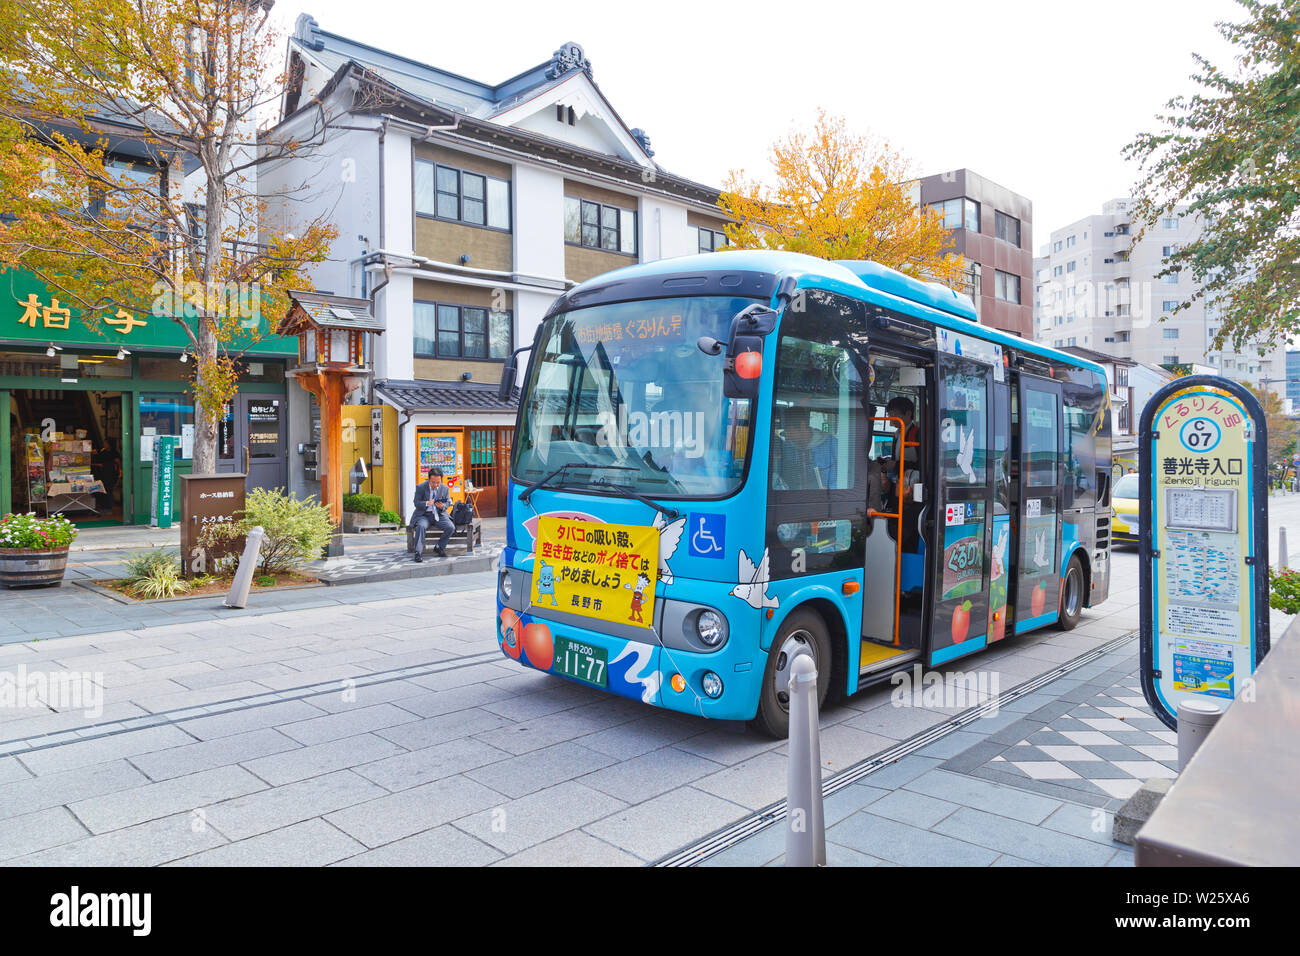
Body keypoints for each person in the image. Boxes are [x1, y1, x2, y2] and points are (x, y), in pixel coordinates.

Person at [772, 404, 837, 491]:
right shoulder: (788, 447)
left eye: (790, 431)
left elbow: (848, 473)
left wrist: (832, 489)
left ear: (802, 426)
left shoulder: (831, 444)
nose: (787, 437)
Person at [411, 466, 454, 561]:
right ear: (429, 479)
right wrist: (426, 503)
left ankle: (439, 547)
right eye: (433, 482)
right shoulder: (421, 487)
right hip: (424, 515)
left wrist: (442, 506)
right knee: (421, 526)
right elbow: (416, 503)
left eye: (438, 482)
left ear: (441, 480)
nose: (435, 484)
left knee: (450, 527)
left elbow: (447, 502)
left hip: (439, 514)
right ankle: (418, 552)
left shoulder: (445, 488)